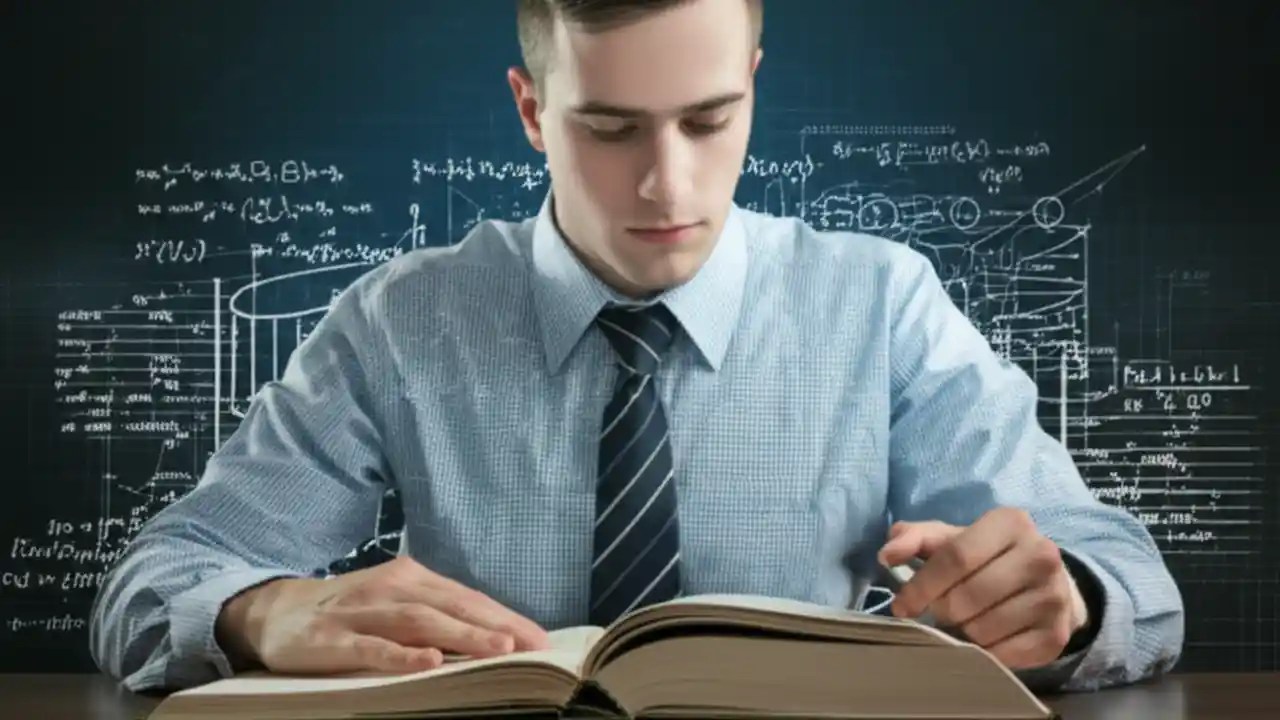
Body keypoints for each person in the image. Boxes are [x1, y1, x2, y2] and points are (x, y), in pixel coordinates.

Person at [89, 0, 1184, 695]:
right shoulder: (401, 321)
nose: (666, 186)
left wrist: (1069, 600)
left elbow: (1135, 584)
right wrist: (259, 609)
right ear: (529, 111)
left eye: (707, 122)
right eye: (608, 130)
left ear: (753, 83)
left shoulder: (881, 302)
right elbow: (152, 583)